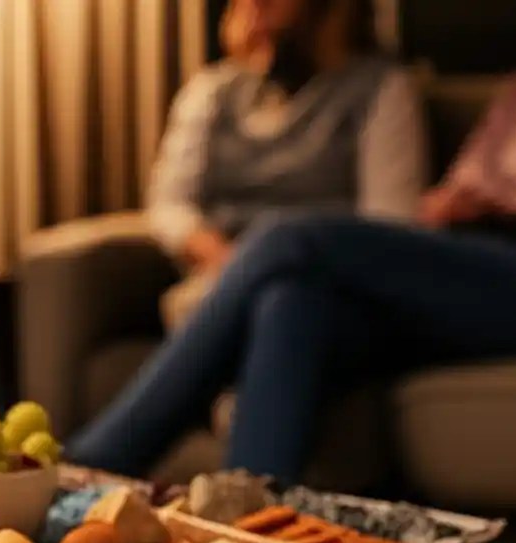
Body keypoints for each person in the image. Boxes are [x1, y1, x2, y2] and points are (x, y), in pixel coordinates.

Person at [66, 0, 516, 487]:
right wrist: (457, 201)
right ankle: (251, 522)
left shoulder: (379, 86)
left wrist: (513, 199)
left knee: (289, 237)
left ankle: (93, 463)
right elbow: (464, 184)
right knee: (292, 301)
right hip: (471, 262)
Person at [150, 0, 427, 328]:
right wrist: (232, 263)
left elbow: (388, 226)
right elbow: (170, 205)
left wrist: (276, 262)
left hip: (326, 285)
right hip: (221, 282)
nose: (254, 8)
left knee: (285, 302)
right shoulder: (210, 92)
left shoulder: (378, 89)